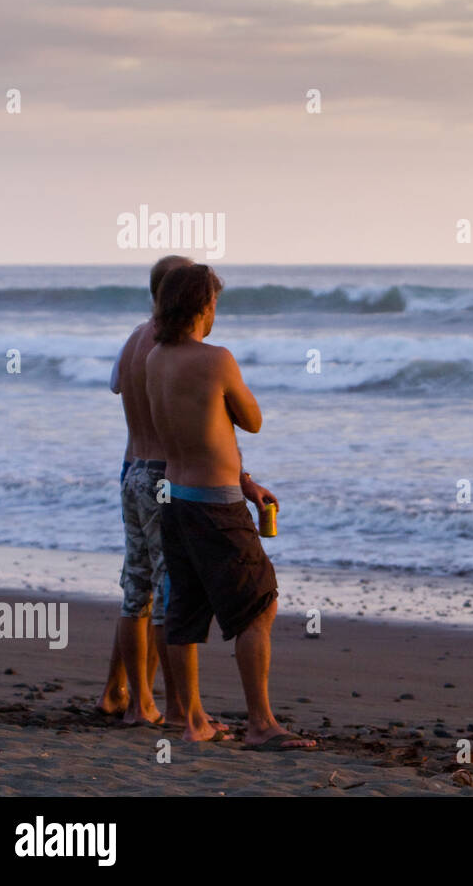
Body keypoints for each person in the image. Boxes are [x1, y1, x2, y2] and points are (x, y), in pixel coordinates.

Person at [146, 264, 315, 750]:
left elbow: (198, 432)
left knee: (185, 609)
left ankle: (193, 719)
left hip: (176, 499)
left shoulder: (155, 357)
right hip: (216, 511)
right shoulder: (216, 359)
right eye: (214, 303)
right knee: (259, 604)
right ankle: (261, 723)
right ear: (203, 306)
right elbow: (253, 420)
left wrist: (243, 480)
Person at [99, 254, 193, 725]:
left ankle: (135, 701)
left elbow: (116, 385)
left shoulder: (135, 337)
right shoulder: (169, 344)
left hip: (130, 468)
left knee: (136, 591)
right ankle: (174, 707)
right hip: (160, 476)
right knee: (165, 590)